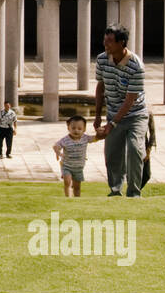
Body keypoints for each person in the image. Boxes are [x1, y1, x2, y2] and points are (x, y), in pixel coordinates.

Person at [94, 23, 150, 197]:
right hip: (113, 112)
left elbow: (129, 101)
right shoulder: (102, 59)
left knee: (134, 150)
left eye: (110, 41)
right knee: (112, 155)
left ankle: (134, 192)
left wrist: (111, 124)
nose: (106, 44)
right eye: (105, 40)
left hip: (136, 115)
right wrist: (97, 116)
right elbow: (100, 87)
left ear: (122, 43)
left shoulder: (136, 66)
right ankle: (115, 190)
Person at [53, 115, 105, 197]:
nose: (76, 130)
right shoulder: (65, 140)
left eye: (79, 129)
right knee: (67, 182)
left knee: (77, 187)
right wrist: (58, 152)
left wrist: (100, 133)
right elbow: (56, 146)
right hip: (67, 165)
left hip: (79, 167)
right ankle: (68, 198)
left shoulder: (85, 138)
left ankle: (77, 199)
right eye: (73, 128)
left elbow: (96, 138)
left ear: (84, 129)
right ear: (68, 128)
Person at [142, 113, 157, 186]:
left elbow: (152, 132)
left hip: (144, 145)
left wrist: (149, 149)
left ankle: (136, 190)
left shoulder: (148, 113)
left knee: (146, 174)